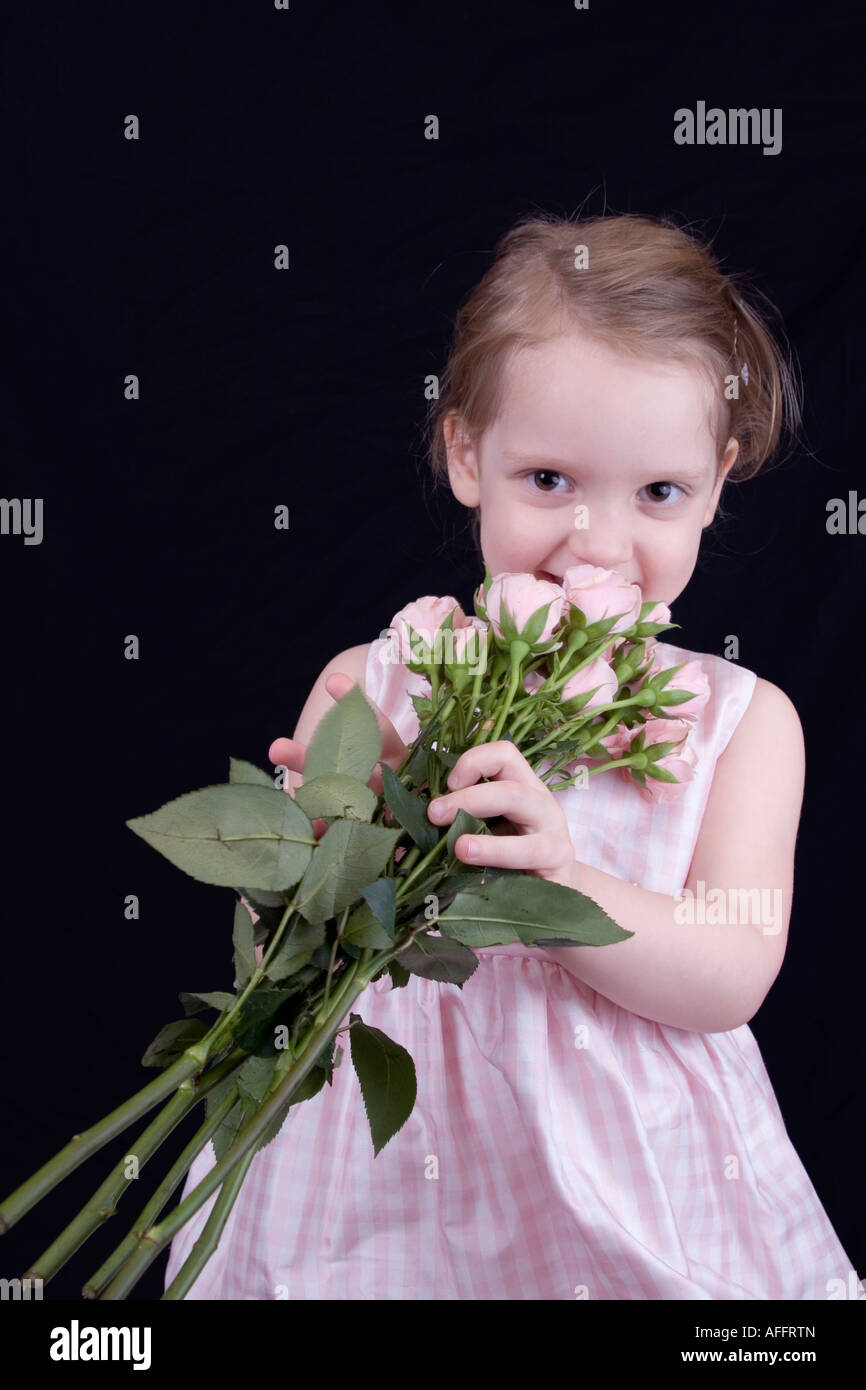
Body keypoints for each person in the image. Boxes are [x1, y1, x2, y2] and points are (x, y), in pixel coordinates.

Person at [163, 211, 860, 1299]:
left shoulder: (738, 721)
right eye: (548, 480)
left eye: (657, 493)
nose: (595, 539)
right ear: (464, 454)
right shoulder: (384, 675)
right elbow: (277, 961)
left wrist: (561, 882)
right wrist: (350, 823)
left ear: (716, 484)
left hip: (620, 1167)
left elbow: (730, 970)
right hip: (380, 1169)